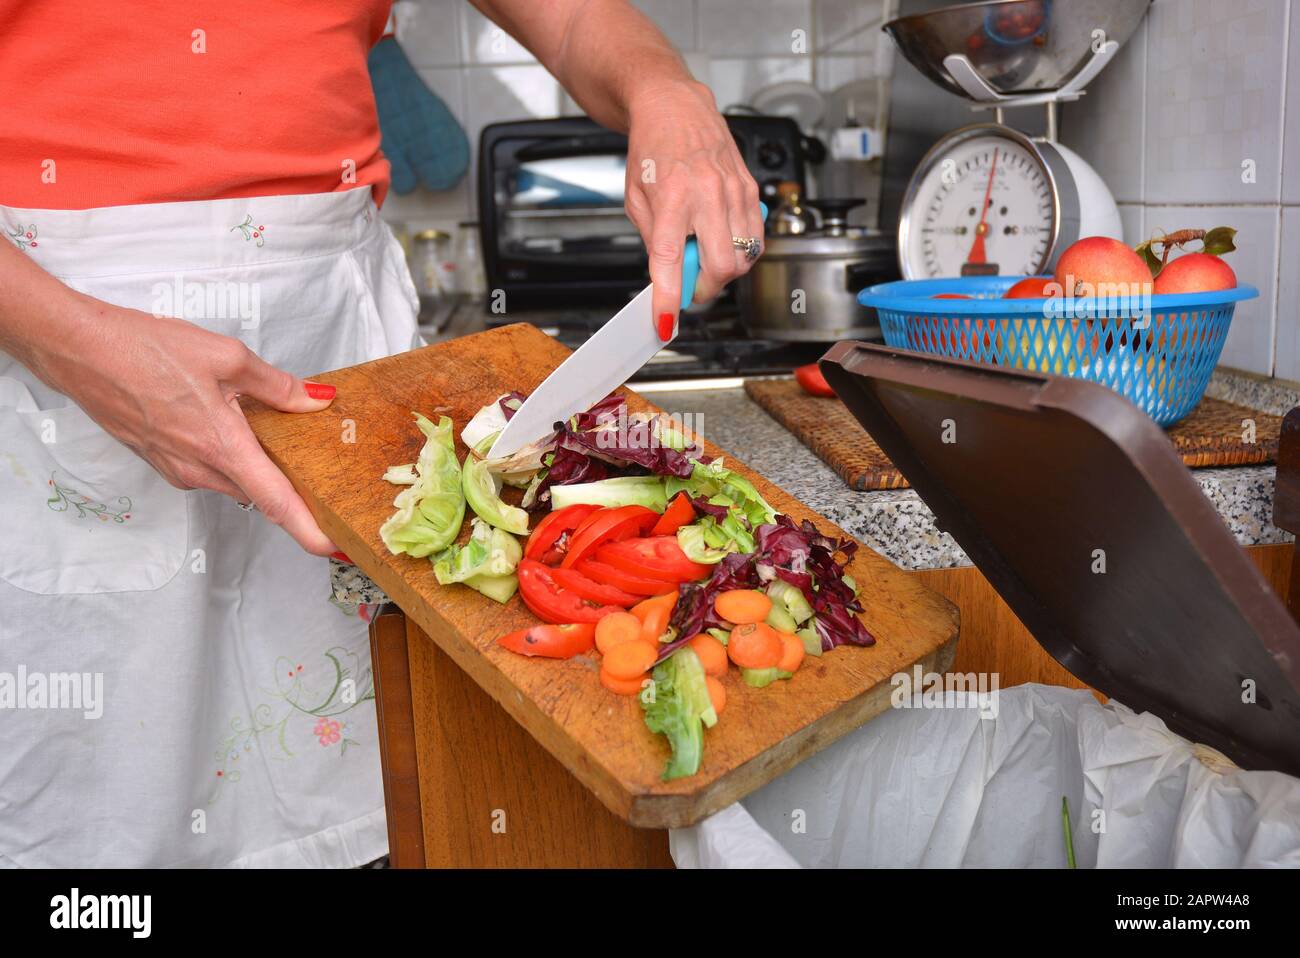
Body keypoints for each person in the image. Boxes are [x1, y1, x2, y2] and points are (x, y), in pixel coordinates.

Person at [0, 0, 763, 868]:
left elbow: (576, 17)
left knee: (381, 804)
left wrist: (667, 89)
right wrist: (71, 342)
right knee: (100, 837)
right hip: (60, 344)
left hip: (335, 346)